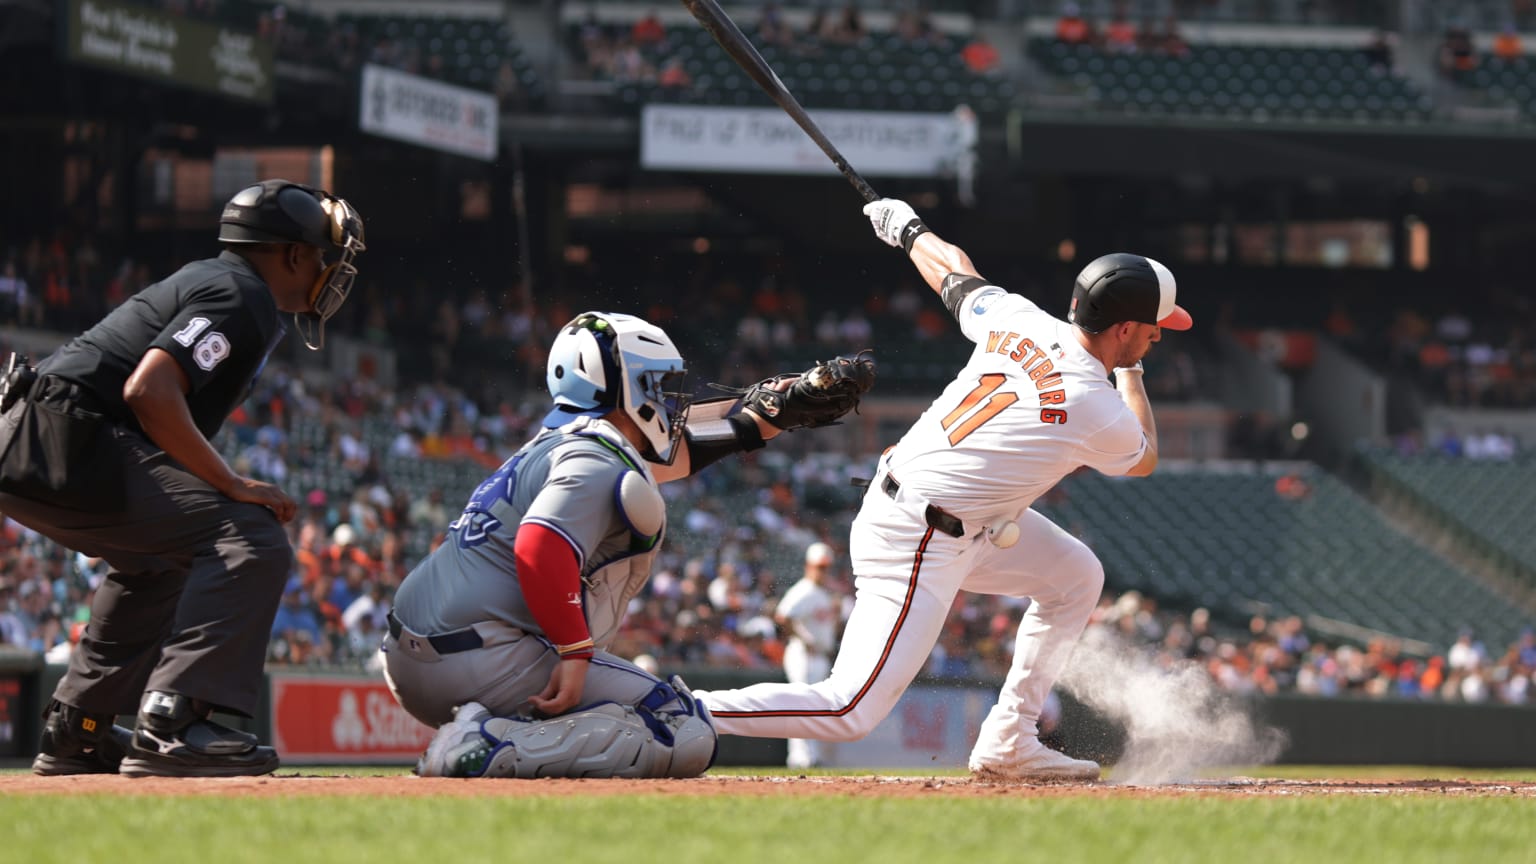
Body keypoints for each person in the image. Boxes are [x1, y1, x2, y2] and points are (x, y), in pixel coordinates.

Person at [693, 197, 1192, 781]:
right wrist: (1129, 372)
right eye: (1154, 328)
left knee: (1077, 576)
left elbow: (953, 272)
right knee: (848, 708)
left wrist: (906, 229)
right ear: (1125, 327)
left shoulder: (1019, 318)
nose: (1160, 337)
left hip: (948, 516)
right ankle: (675, 710)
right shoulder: (1096, 404)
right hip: (918, 536)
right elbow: (1145, 456)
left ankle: (1010, 738)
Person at [395, 312, 871, 779]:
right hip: (480, 661)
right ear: (622, 386)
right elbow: (539, 545)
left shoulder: (559, 442)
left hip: (419, 656)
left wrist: (767, 417)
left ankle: (495, 732)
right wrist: (575, 652)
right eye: (655, 384)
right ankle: (490, 743)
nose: (665, 398)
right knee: (682, 729)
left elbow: (671, 455)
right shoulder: (596, 454)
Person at [1, 179, 366, 777]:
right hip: (63, 439)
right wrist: (231, 483)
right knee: (249, 534)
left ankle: (79, 727)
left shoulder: (222, 282)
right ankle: (176, 723)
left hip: (34, 437)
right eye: (321, 256)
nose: (327, 270)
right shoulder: (241, 293)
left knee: (161, 559)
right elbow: (148, 389)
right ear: (293, 255)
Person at [777, 541, 842, 769]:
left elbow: (829, 628)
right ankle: (800, 758)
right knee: (801, 705)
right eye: (819, 567)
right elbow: (783, 616)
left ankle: (812, 756)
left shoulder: (824, 594)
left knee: (815, 706)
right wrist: (804, 639)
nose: (823, 571)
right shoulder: (803, 590)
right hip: (802, 654)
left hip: (819, 656)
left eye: (826, 567)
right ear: (809, 566)